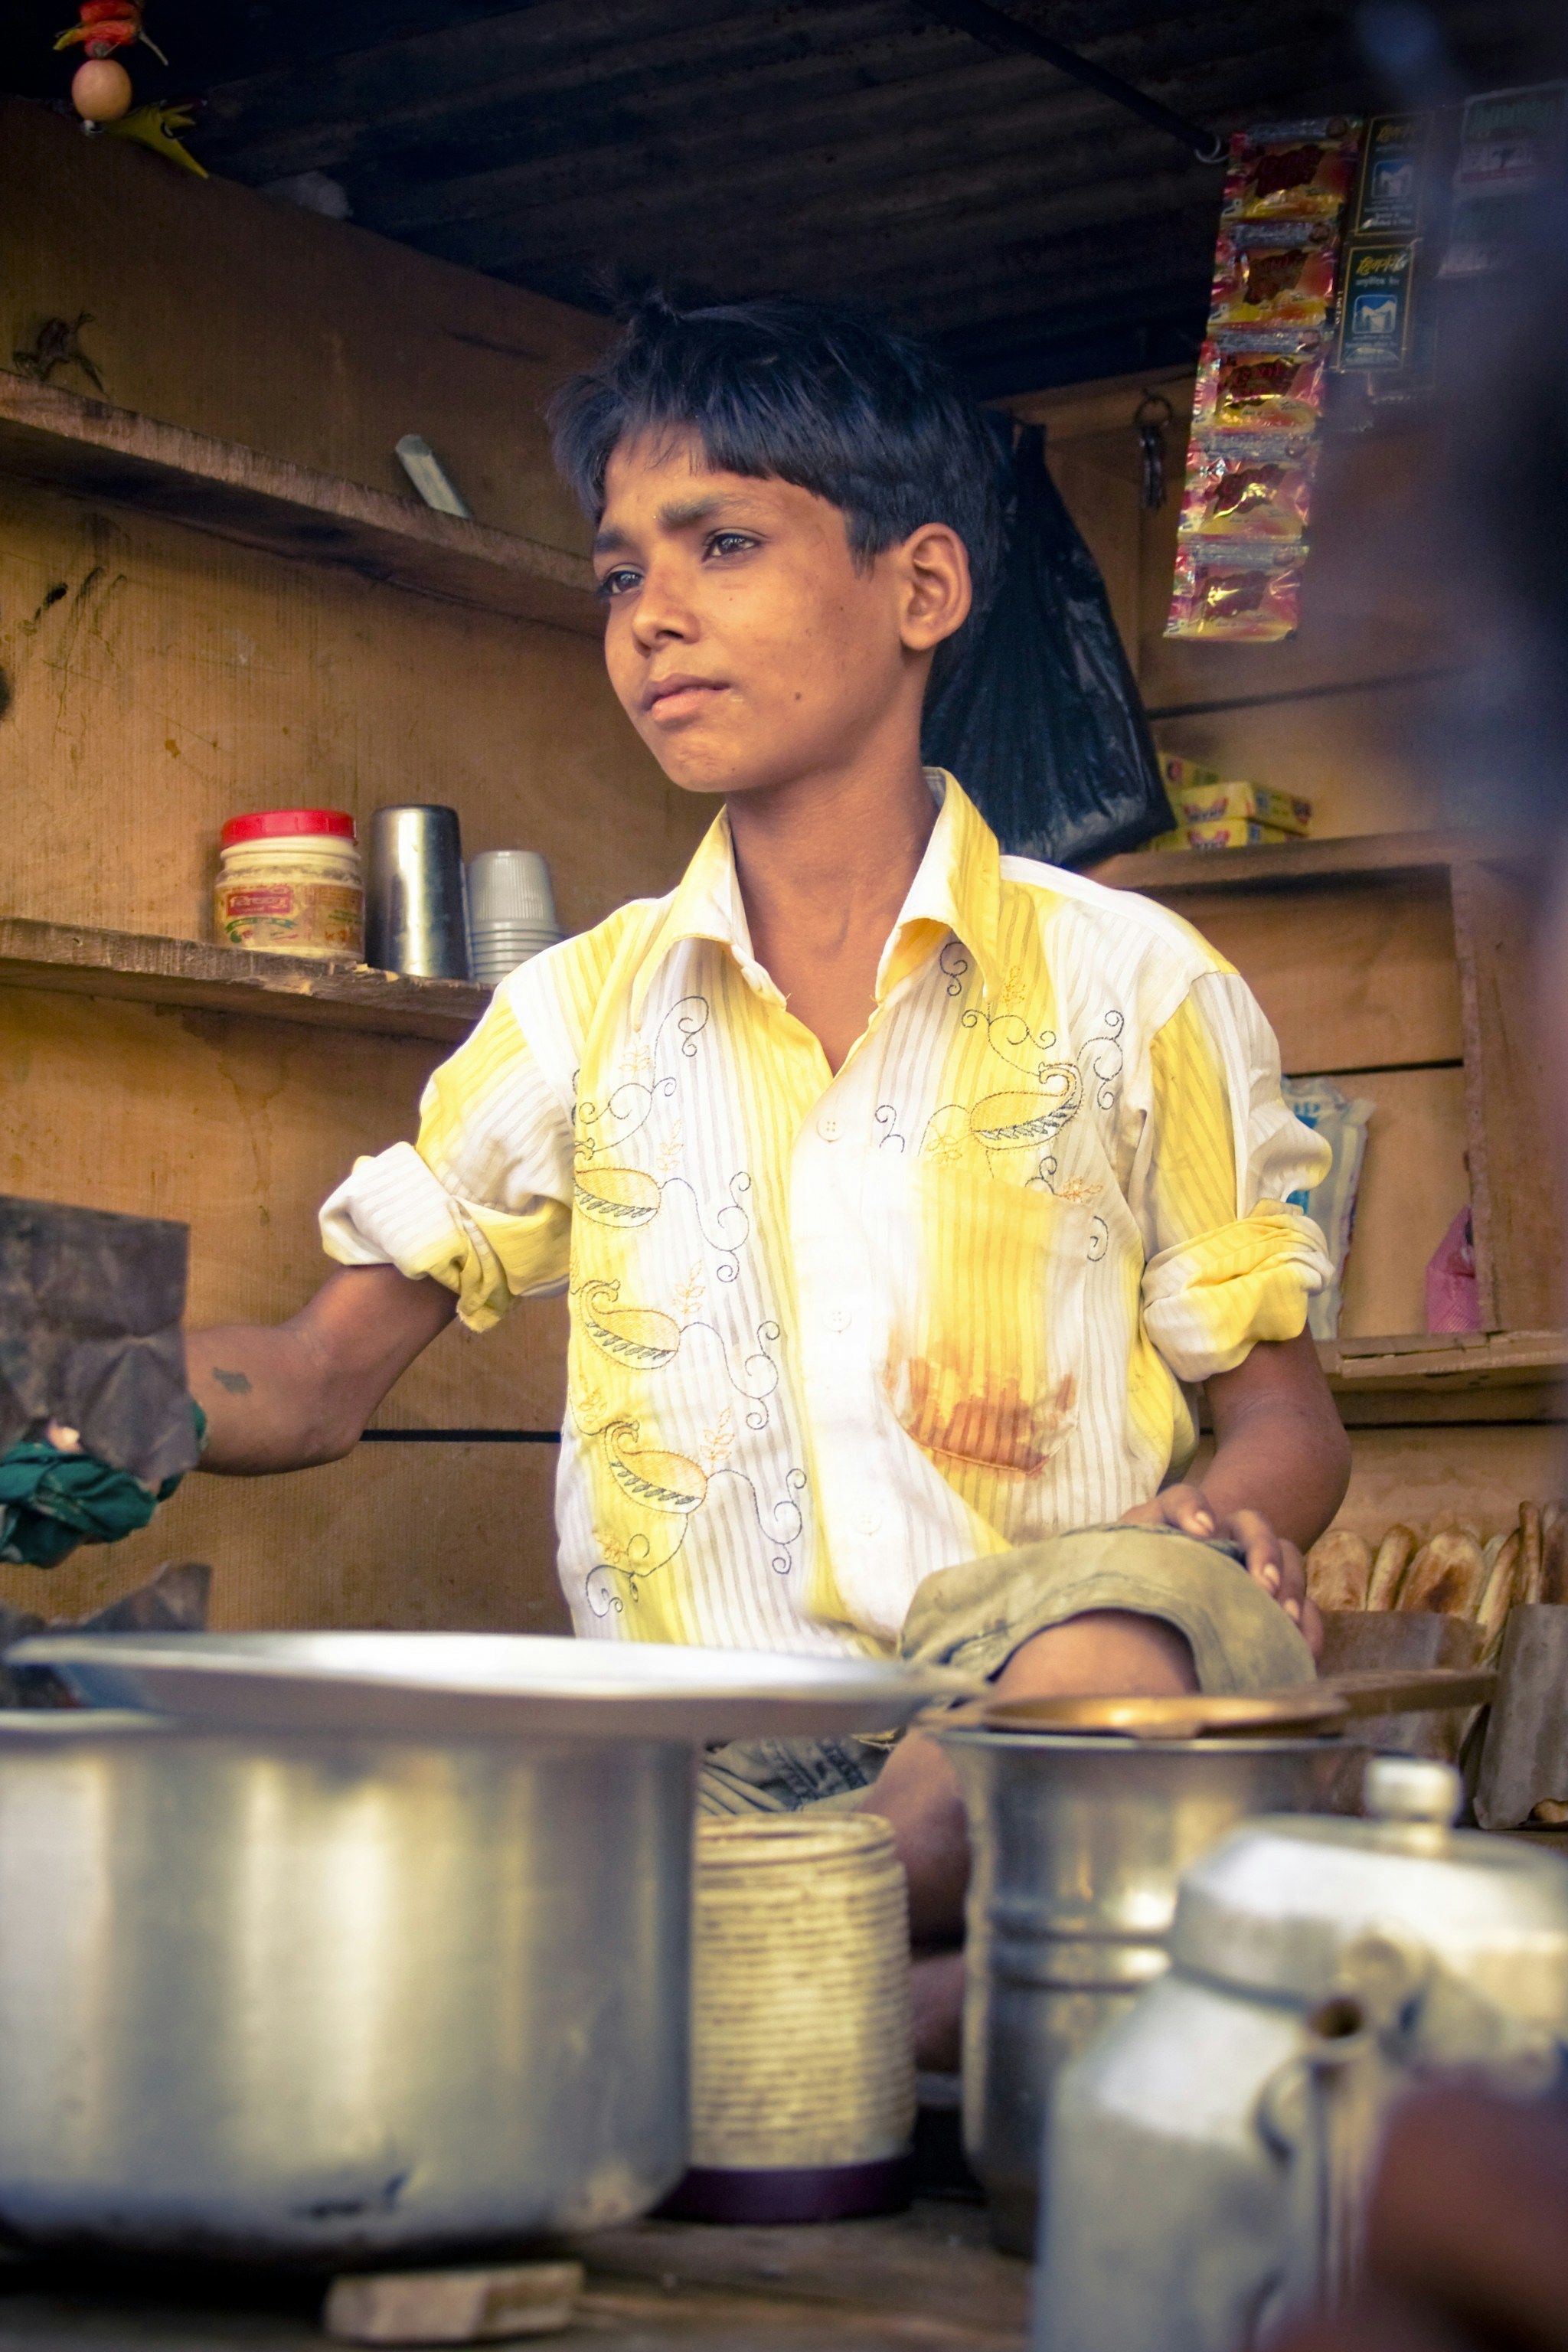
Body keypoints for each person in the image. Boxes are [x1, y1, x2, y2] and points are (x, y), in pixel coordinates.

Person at [184, 296, 1350, 2059]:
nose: (652, 616)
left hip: (1022, 1727)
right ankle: (908, 2005)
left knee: (1121, 1642)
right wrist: (83, 1385)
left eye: (721, 544)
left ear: (923, 589)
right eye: (615, 575)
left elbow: (1287, 1423)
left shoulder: (1136, 986)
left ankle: (737, 1989)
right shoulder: (573, 1016)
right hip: (696, 1760)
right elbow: (311, 1377)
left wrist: (1215, 1524)